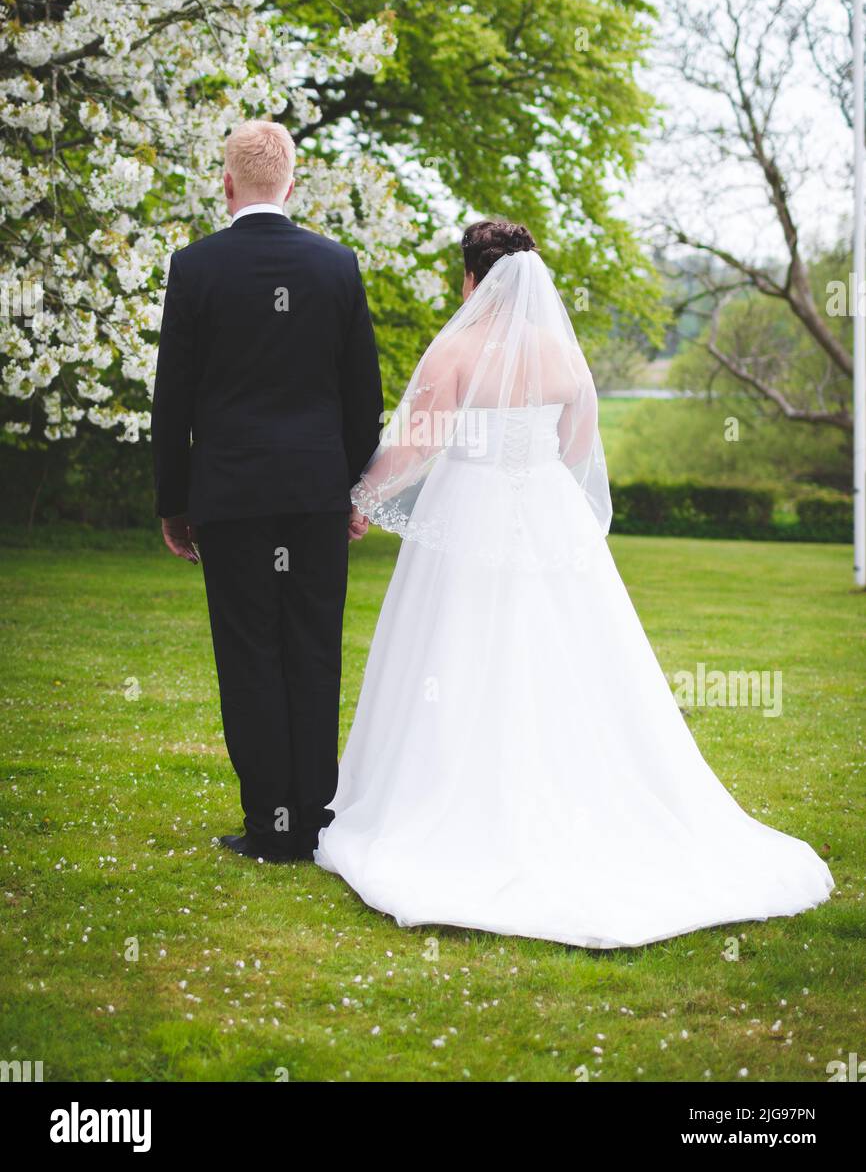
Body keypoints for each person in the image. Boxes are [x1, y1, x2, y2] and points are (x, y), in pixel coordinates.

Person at [315, 219, 834, 947]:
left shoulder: (455, 350)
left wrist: (361, 499)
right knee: (568, 655)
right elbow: (579, 448)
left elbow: (418, 442)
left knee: (457, 651)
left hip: (471, 510)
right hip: (548, 512)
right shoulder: (562, 354)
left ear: (472, 278)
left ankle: (453, 799)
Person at [151, 120, 383, 862]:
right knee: (312, 652)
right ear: (293, 183)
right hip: (314, 494)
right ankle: (310, 820)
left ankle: (268, 827)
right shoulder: (336, 266)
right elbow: (362, 397)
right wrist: (356, 490)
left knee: (249, 653)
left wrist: (172, 504)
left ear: (227, 185)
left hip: (232, 496)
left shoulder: (195, 267)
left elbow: (172, 400)